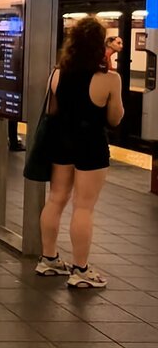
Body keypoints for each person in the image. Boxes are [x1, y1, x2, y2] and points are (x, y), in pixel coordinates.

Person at [36, 17, 123, 289]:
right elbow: (115, 118)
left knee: (55, 199)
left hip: (62, 142)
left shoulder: (57, 74)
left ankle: (48, 259)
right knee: (83, 207)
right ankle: (81, 270)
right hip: (91, 145)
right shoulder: (109, 79)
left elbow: (51, 111)